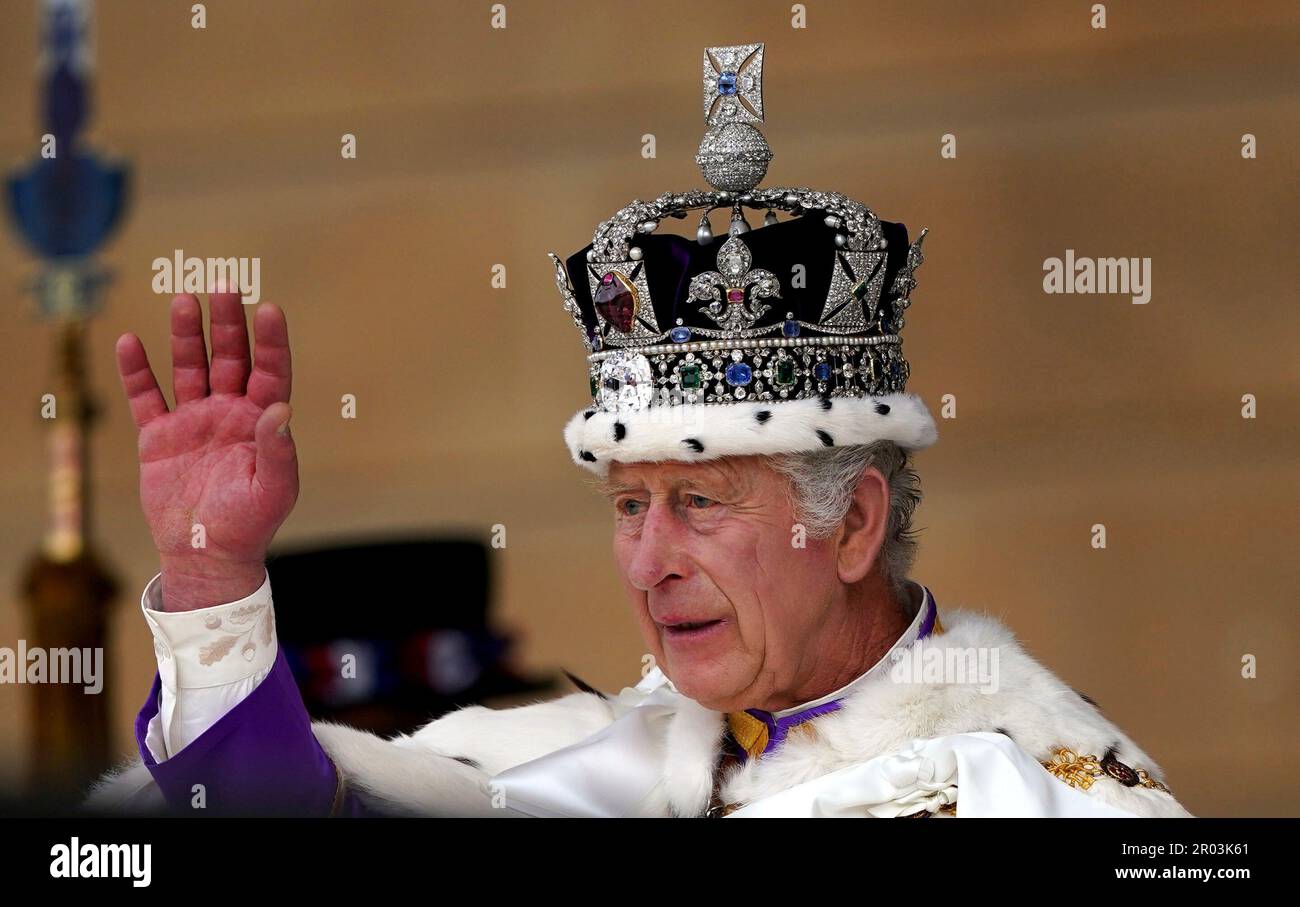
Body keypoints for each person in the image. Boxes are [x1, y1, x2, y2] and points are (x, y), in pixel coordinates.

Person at [88, 42, 1190, 818]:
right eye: (628, 505)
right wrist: (212, 574)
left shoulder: (1028, 789)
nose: (649, 562)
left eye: (699, 502)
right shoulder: (592, 768)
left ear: (852, 525)